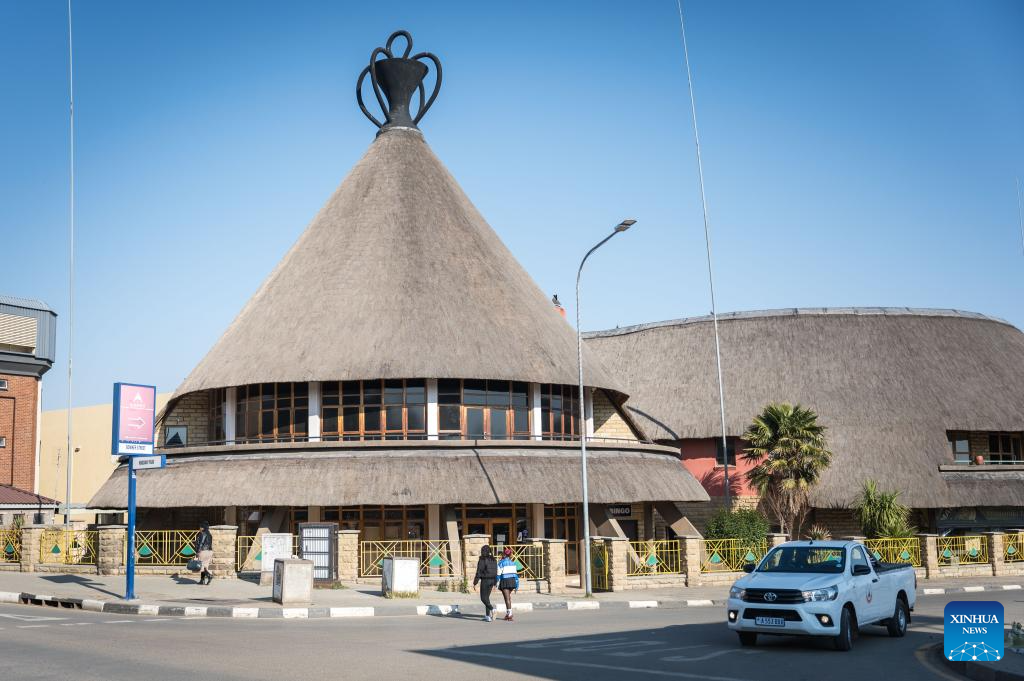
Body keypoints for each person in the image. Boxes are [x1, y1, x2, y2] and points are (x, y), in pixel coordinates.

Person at [472, 545, 498, 622]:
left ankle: (493, 609)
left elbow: (479, 571)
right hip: (492, 580)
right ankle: (487, 616)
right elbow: (495, 572)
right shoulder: (493, 559)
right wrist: (495, 583)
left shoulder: (482, 559)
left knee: (483, 598)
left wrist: (475, 582)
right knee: (487, 598)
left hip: (485, 580)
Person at [496, 546, 519, 621]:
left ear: (504, 554)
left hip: (505, 581)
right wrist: (517, 586)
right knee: (508, 598)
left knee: (507, 599)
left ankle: (509, 614)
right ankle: (508, 613)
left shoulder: (501, 563)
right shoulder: (513, 563)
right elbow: (516, 575)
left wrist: (496, 583)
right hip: (512, 581)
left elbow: (498, 575)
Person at [195, 521, 214, 585]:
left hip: (203, 551)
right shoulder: (210, 534)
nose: (199, 528)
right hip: (209, 551)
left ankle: (209, 575)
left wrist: (198, 551)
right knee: (205, 566)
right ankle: (202, 580)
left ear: (203, 527)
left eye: (200, 527)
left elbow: (201, 543)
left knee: (201, 566)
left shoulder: (202, 533)